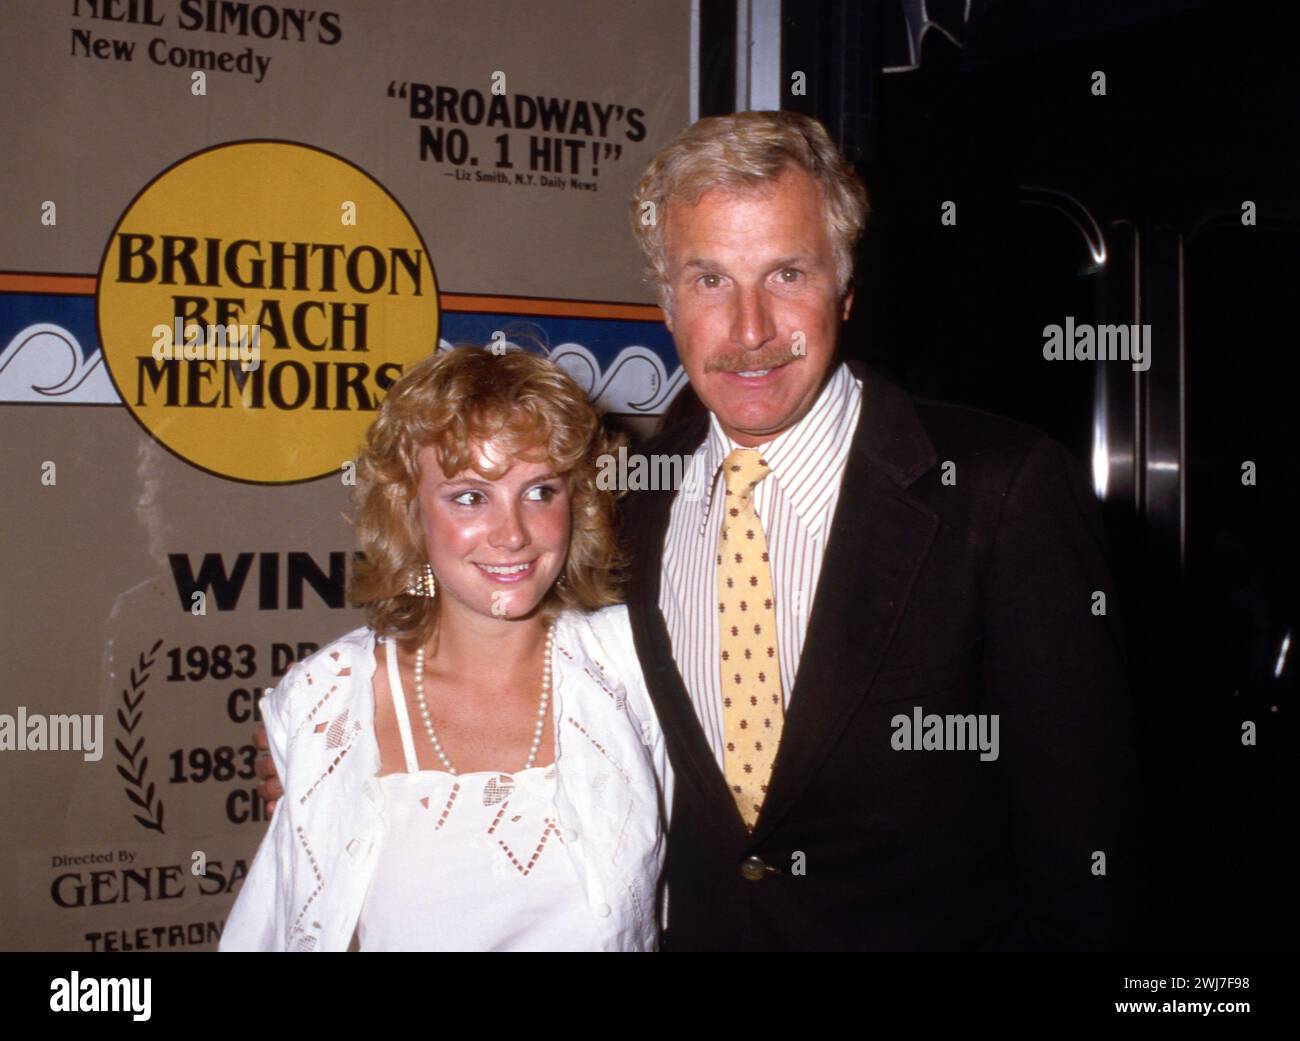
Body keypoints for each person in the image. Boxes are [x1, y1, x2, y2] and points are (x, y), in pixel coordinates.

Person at [260, 110, 1145, 951]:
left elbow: (1090, 857)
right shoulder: (625, 498)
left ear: (844, 288)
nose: (749, 330)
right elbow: (494, 607)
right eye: (710, 279)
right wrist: (330, 737)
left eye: (787, 275)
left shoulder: (1000, 489)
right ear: (667, 299)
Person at [223, 346, 667, 952]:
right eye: (468, 496)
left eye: (540, 492)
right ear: (409, 509)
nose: (512, 534)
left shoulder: (642, 666)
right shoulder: (326, 699)